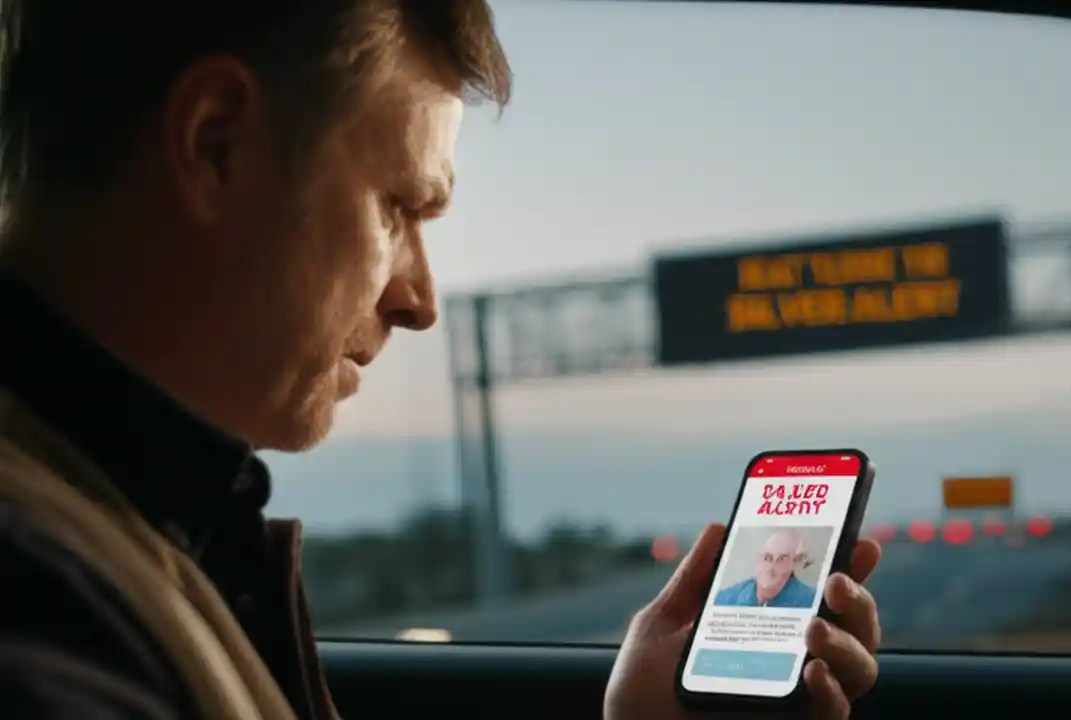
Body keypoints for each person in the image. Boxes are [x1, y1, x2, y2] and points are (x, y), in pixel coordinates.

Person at [0, 2, 883, 718]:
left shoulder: (131, 534)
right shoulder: (45, 620)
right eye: (399, 209)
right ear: (214, 143)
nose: (418, 301)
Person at [716, 529, 819, 609]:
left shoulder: (812, 600)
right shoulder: (725, 598)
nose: (771, 566)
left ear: (795, 563)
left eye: (782, 559)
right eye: (767, 558)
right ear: (758, 558)